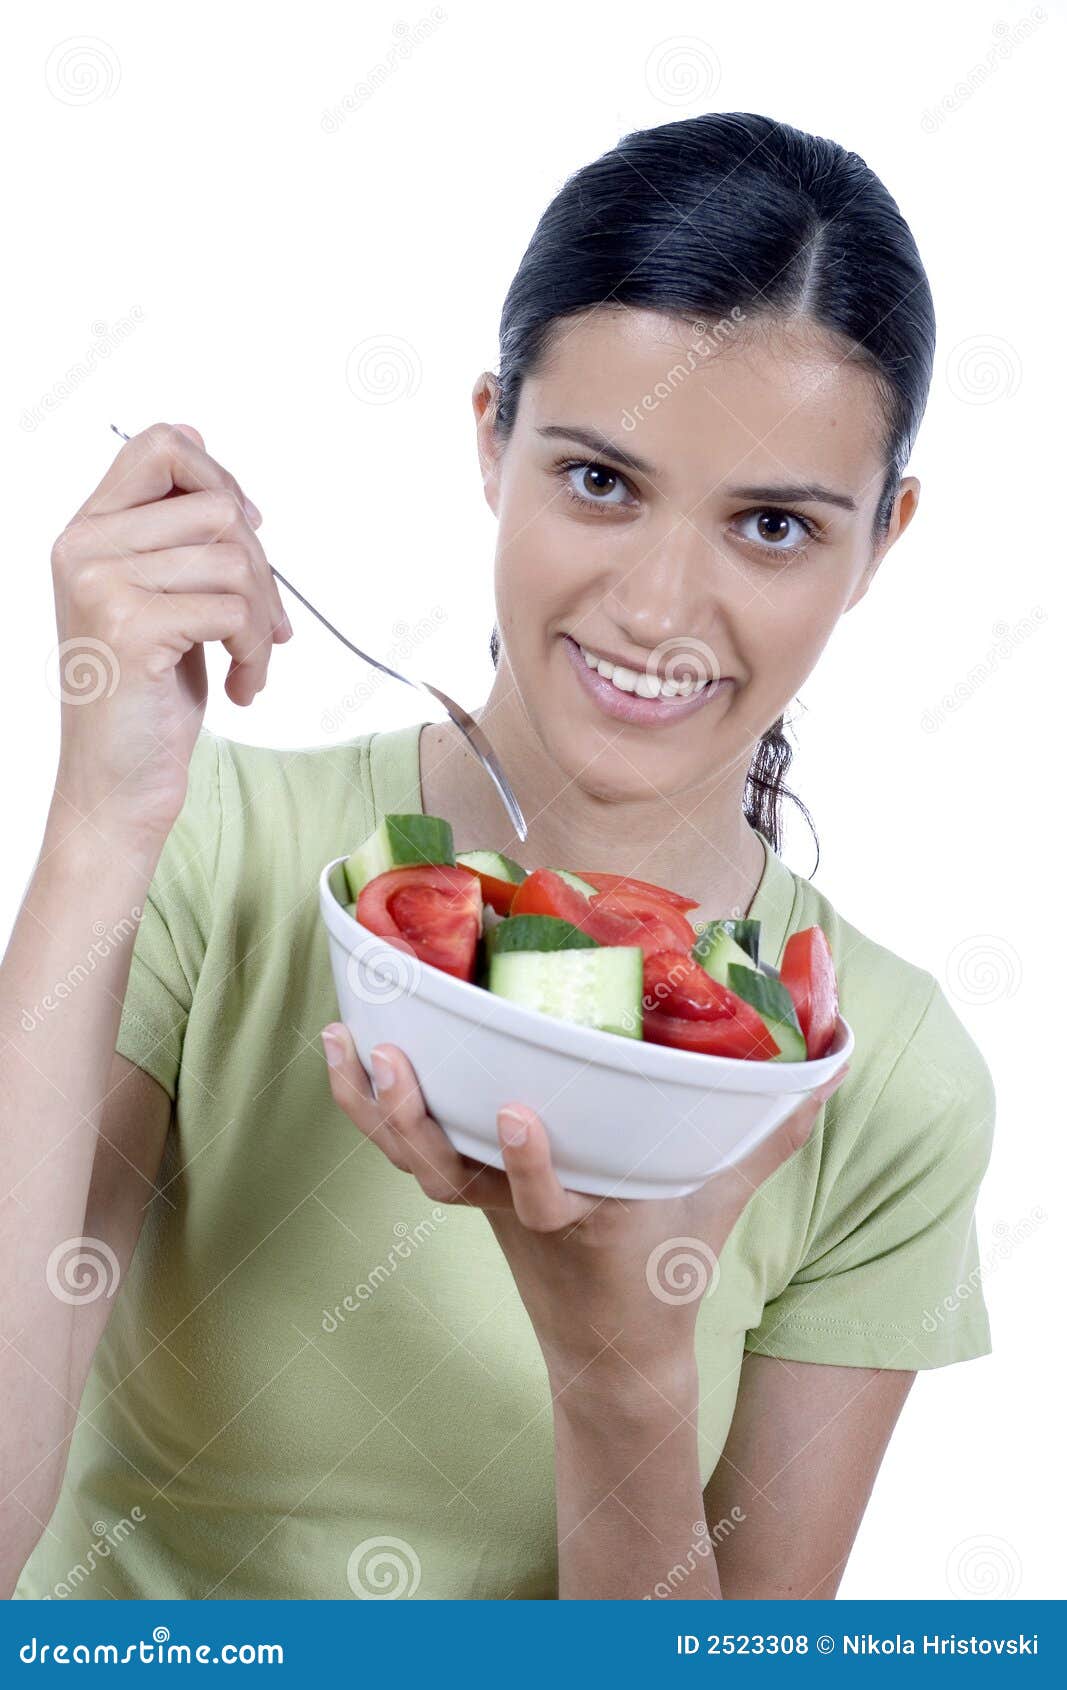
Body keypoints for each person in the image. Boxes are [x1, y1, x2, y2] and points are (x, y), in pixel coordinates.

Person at [3, 112, 994, 1602]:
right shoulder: (217, 859)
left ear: (883, 539)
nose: (660, 604)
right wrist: (97, 824)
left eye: (775, 524)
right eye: (600, 479)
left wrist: (623, 1374)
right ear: (491, 435)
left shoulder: (876, 1073)